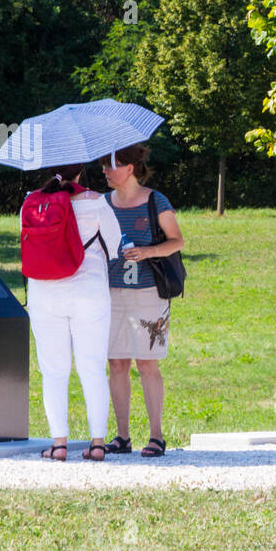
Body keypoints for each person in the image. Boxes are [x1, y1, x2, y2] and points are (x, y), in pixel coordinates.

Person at [23, 163, 122, 461]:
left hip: (44, 292)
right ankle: (97, 443)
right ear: (80, 171)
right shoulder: (97, 202)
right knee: (92, 367)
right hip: (89, 292)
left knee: (53, 371)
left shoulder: (30, 202)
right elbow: (114, 245)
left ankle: (59, 443)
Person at [99, 143, 185, 458]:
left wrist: (147, 252)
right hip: (111, 293)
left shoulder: (155, 201)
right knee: (117, 363)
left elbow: (177, 241)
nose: (105, 172)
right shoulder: (102, 204)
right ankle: (122, 437)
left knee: (147, 363)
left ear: (130, 168)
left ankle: (156, 436)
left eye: (111, 165)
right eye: (104, 166)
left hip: (150, 293)